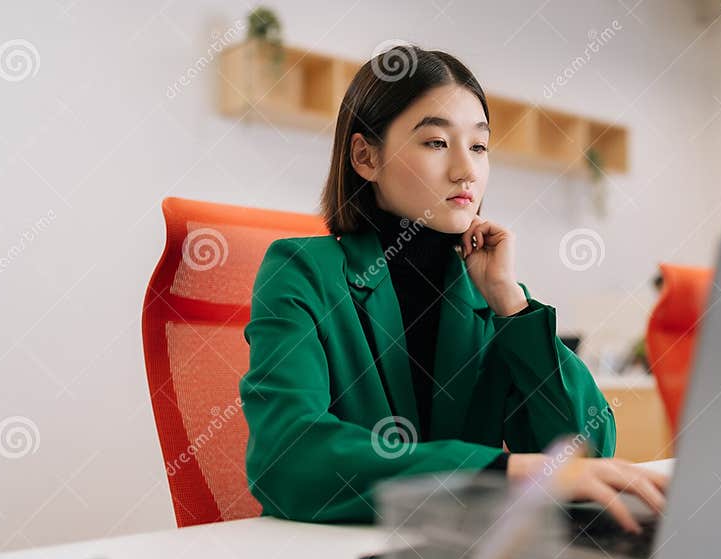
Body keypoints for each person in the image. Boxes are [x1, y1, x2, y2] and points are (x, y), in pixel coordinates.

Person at [239, 45, 667, 533]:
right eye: (437, 142)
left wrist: (511, 304)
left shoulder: (489, 296)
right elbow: (285, 457)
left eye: (479, 146)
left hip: (459, 556)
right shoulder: (300, 271)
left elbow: (584, 454)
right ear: (365, 156)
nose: (466, 170)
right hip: (332, 556)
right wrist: (496, 472)